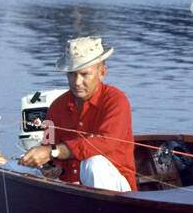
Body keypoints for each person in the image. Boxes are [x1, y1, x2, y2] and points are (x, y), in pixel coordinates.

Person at [18, 36, 137, 191]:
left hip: (119, 192)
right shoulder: (57, 106)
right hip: (72, 189)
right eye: (72, 74)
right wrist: (50, 167)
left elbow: (105, 143)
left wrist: (53, 152)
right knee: (19, 166)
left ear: (102, 73)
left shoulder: (117, 100)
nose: (76, 82)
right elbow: (48, 145)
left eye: (84, 74)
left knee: (94, 163)